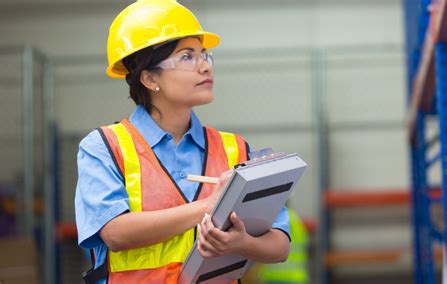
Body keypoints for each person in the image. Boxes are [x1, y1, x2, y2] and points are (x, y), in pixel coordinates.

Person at [74, 0, 291, 283]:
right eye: (187, 57)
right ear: (150, 78)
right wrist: (212, 206)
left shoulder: (234, 149)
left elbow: (280, 244)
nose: (204, 67)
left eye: (204, 55)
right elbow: (115, 232)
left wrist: (240, 243)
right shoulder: (104, 147)